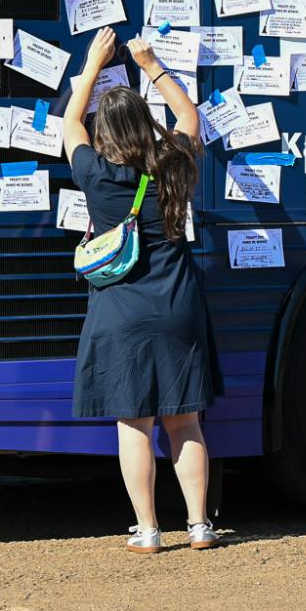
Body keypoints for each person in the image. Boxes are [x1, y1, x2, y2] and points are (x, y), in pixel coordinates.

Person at [61, 28, 224, 554]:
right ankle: (200, 525)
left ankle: (148, 531)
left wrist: (92, 65)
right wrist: (151, 64)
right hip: (178, 306)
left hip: (120, 312)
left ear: (104, 131)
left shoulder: (95, 174)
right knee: (185, 421)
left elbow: (68, 123)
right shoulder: (173, 163)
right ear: (145, 122)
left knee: (135, 422)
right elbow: (191, 119)